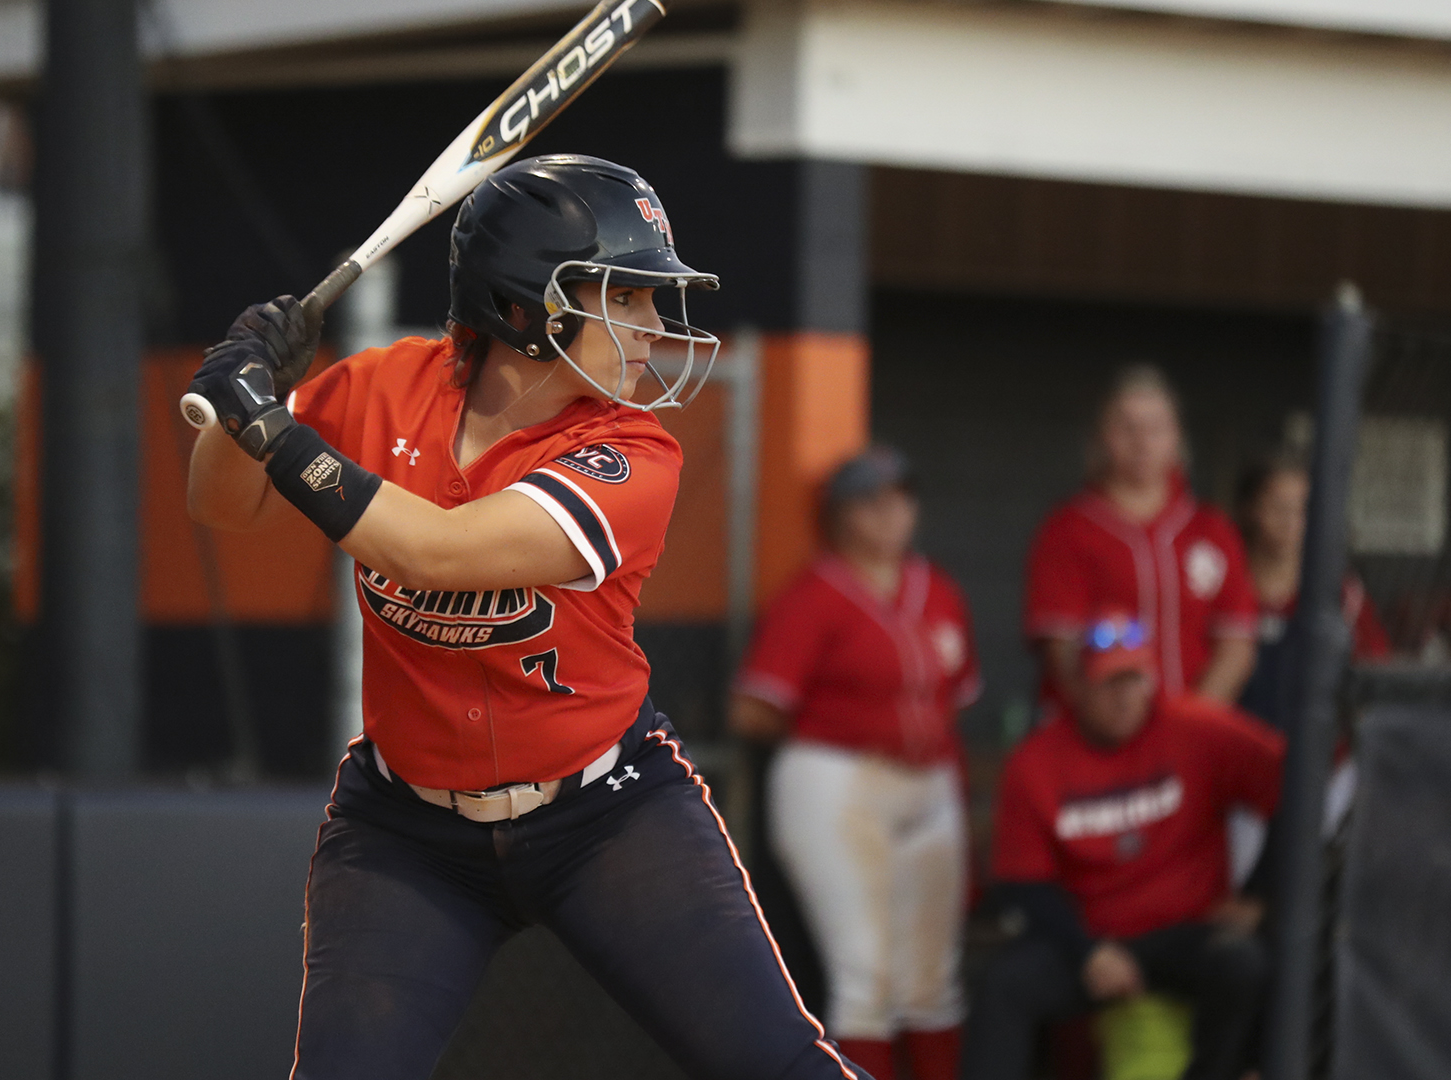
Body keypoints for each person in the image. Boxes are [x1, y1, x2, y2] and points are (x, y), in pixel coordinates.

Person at [184, 155, 873, 1080]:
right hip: (406, 830)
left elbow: (435, 552)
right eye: (621, 295)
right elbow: (222, 505)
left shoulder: (632, 453)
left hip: (606, 812)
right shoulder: (389, 386)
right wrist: (243, 404)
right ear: (523, 308)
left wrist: (272, 430)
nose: (651, 324)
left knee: (780, 1068)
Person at [731, 448, 981, 1080]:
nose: (893, 511)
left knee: (932, 981)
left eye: (901, 496)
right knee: (865, 977)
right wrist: (843, 730)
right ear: (840, 514)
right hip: (838, 783)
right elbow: (752, 712)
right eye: (873, 500)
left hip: (929, 783)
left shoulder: (938, 589)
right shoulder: (815, 593)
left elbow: (958, 701)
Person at [961, 615, 1284, 1080]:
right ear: (1078, 688)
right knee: (1003, 985)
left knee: (1244, 962)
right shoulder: (1036, 761)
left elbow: (1296, 793)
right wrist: (1088, 951)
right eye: (1109, 683)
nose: (1124, 697)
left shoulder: (1196, 727)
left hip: (1188, 929)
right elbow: (1023, 881)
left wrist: (1258, 893)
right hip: (1092, 937)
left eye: (1134, 680)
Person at [1025, 366, 1259, 719]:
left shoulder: (1211, 528)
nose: (1142, 441)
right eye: (1126, 427)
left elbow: (1236, 647)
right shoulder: (1067, 528)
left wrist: (1186, 725)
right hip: (1093, 731)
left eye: (1155, 428)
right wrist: (1116, 729)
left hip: (1190, 727)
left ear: (1176, 437)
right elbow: (1063, 652)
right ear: (1101, 436)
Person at [1232, 455, 1391, 728]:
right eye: (1277, 507)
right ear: (1250, 509)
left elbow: (1374, 670)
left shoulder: (1343, 594)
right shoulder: (1220, 584)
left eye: (1303, 509)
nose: (1290, 521)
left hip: (1317, 741)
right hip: (1235, 738)